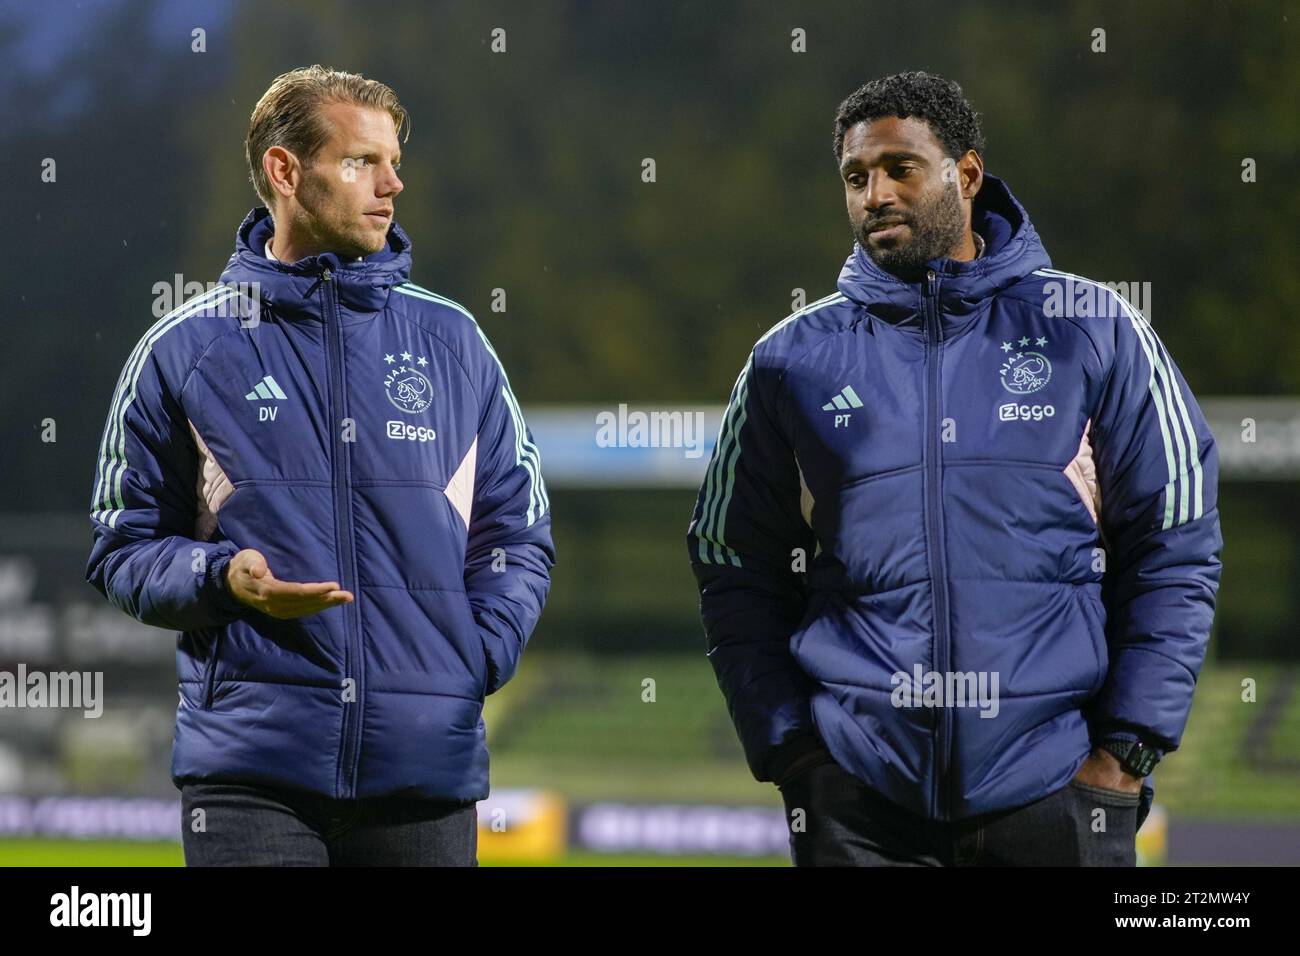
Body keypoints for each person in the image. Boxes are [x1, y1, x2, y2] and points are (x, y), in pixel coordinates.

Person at [686, 71, 1221, 866]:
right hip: (860, 806)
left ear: (965, 175)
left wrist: (1124, 756)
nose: (874, 195)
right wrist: (794, 754)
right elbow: (733, 562)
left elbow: (1176, 545)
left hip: (1059, 796)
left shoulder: (1095, 331)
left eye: (900, 167)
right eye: (856, 177)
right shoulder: (788, 361)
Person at [85, 65, 554, 866]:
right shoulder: (183, 351)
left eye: (395, 161)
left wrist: (474, 658)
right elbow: (122, 550)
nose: (393, 183)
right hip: (251, 778)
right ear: (284, 170)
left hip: (423, 777)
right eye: (361, 161)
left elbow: (520, 533)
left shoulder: (456, 345)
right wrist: (222, 578)